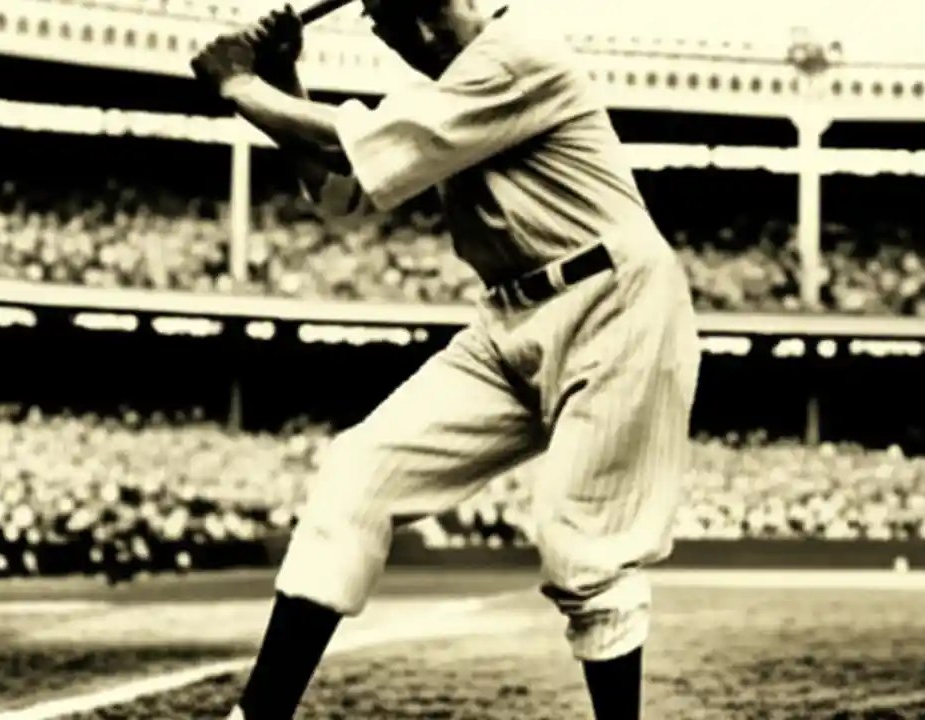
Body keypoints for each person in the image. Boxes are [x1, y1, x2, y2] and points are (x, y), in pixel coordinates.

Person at [189, 1, 701, 718]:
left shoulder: (519, 52)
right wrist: (286, 78)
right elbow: (343, 195)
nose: (388, 36)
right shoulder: (452, 90)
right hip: (509, 318)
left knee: (585, 549)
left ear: (429, 17)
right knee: (359, 472)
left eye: (390, 19)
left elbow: (346, 149)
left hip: (616, 302)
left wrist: (240, 88)